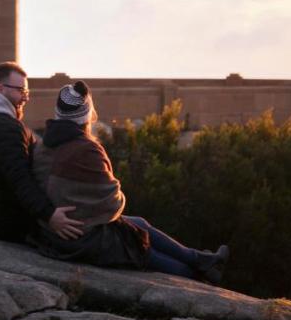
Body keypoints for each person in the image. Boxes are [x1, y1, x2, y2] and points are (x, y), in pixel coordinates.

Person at [31, 81, 229, 283]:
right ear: (87, 115)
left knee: (139, 224)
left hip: (57, 233)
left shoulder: (42, 146)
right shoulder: (86, 149)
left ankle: (201, 260)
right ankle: (198, 278)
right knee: (140, 247)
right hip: (81, 239)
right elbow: (112, 203)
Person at [0, 62, 84, 243]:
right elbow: (19, 179)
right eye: (21, 91)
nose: (25, 98)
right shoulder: (6, 126)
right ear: (1, 89)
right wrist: (50, 215)